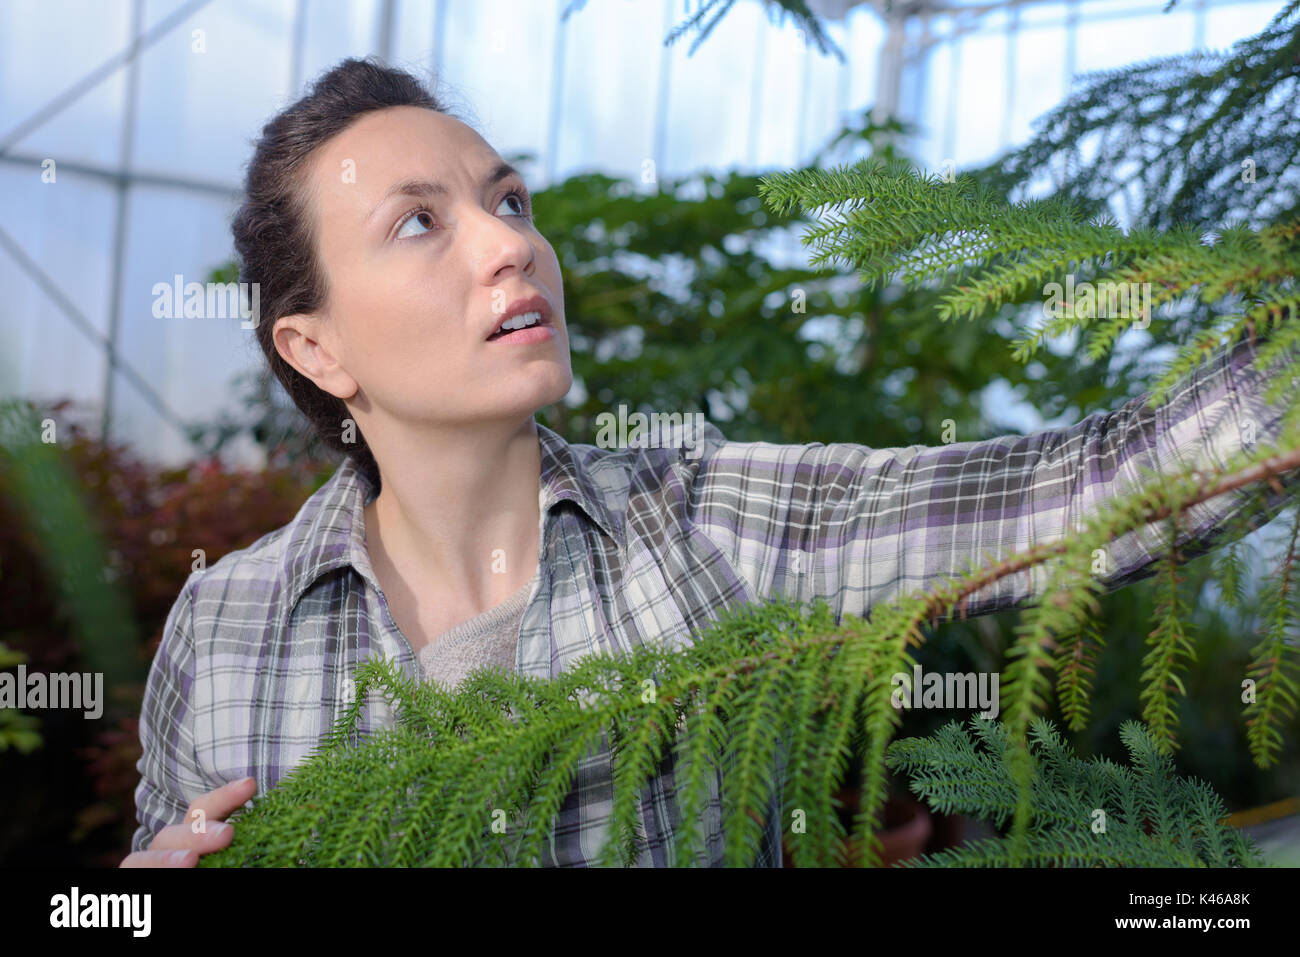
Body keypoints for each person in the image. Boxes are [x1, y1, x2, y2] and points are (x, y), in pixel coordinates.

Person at [122, 56, 1295, 868]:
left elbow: (1115, 481)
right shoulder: (223, 629)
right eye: (420, 223)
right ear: (316, 346)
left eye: (510, 199)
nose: (511, 245)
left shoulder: (712, 525)